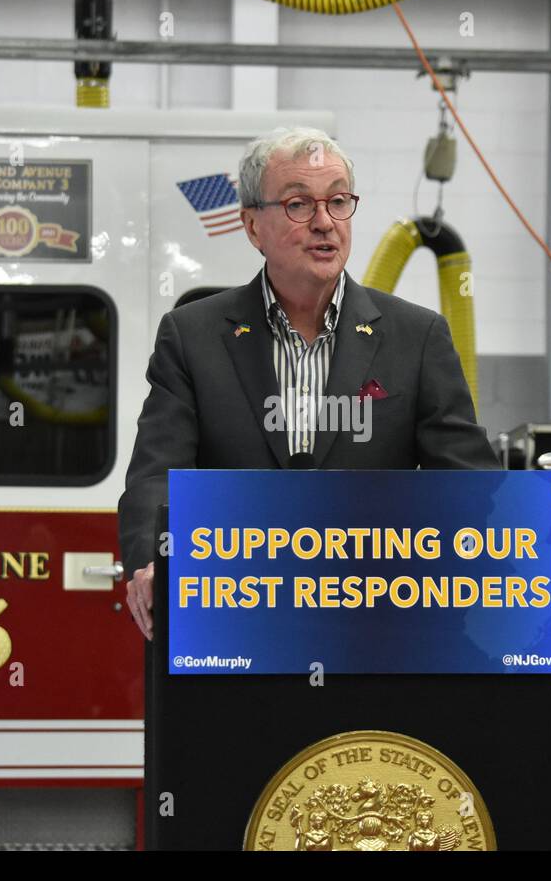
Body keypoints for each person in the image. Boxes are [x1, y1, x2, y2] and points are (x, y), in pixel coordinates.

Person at [119, 126, 499, 638]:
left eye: (338, 201)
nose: (325, 223)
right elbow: (156, 477)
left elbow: (468, 483)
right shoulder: (193, 336)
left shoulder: (418, 337)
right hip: (232, 626)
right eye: (299, 205)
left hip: (378, 629)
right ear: (253, 226)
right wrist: (152, 561)